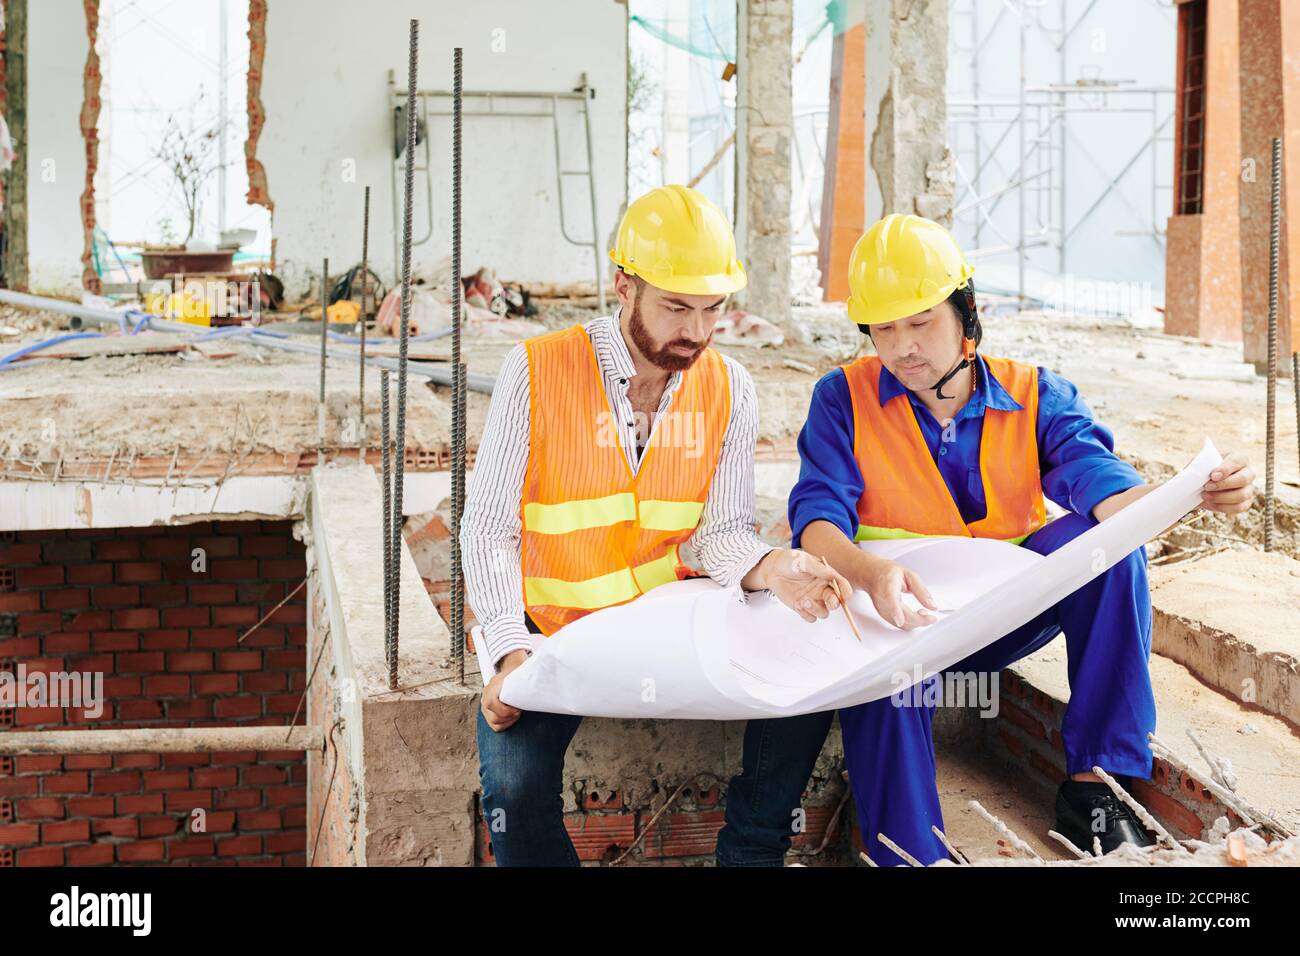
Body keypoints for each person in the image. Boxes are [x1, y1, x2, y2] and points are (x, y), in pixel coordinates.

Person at [788, 213, 1256, 865]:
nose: (903, 346)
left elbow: (1104, 488)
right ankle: (907, 851)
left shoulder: (1036, 393)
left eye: (921, 321)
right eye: (884, 328)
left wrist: (1191, 493)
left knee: (1110, 549)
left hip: (1004, 614)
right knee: (884, 675)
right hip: (897, 623)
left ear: (966, 311)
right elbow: (815, 518)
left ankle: (1098, 789)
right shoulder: (841, 399)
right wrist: (867, 574)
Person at [461, 184, 850, 866]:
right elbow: (489, 530)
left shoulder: (730, 386)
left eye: (712, 309)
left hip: (666, 628)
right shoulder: (537, 369)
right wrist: (508, 652)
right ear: (623, 286)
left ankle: (749, 853)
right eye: (676, 307)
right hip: (557, 630)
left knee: (808, 651)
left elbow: (719, 532)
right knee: (515, 791)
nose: (697, 332)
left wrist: (774, 568)